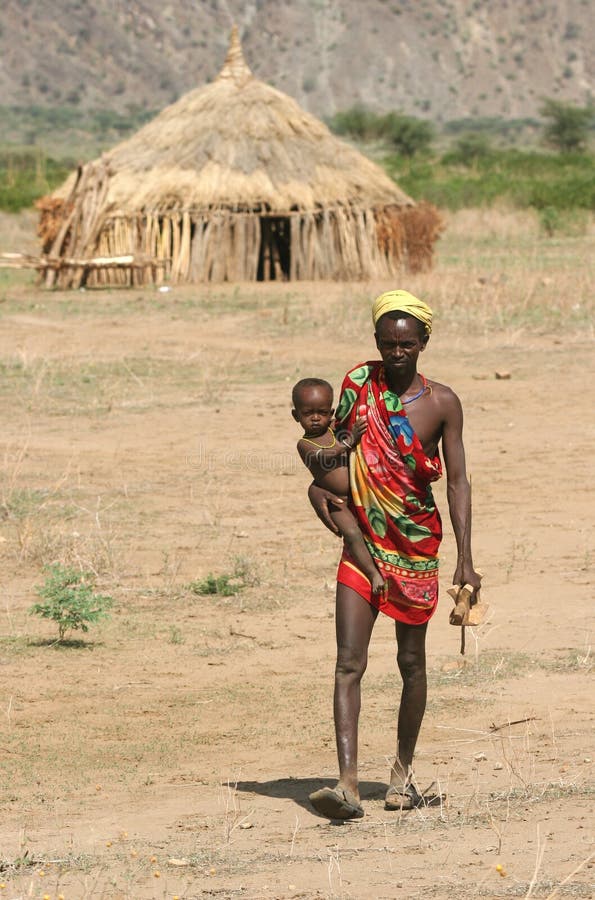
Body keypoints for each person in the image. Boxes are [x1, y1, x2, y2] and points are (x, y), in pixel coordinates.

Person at [307, 289, 481, 821]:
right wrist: (324, 490)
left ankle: (402, 779)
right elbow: (327, 448)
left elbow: (457, 482)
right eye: (387, 342)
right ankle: (348, 785)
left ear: (424, 342)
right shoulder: (358, 384)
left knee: (411, 663)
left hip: (415, 544)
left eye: (406, 343)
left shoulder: (443, 402)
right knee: (348, 663)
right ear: (377, 342)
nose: (396, 352)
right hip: (362, 541)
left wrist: (466, 558)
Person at [292, 378, 386, 596]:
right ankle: (372, 573)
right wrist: (349, 441)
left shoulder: (336, 429)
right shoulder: (305, 444)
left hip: (360, 493)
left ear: (331, 412)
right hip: (338, 501)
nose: (316, 419)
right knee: (352, 533)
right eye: (308, 414)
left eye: (322, 413)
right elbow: (325, 455)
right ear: (296, 416)